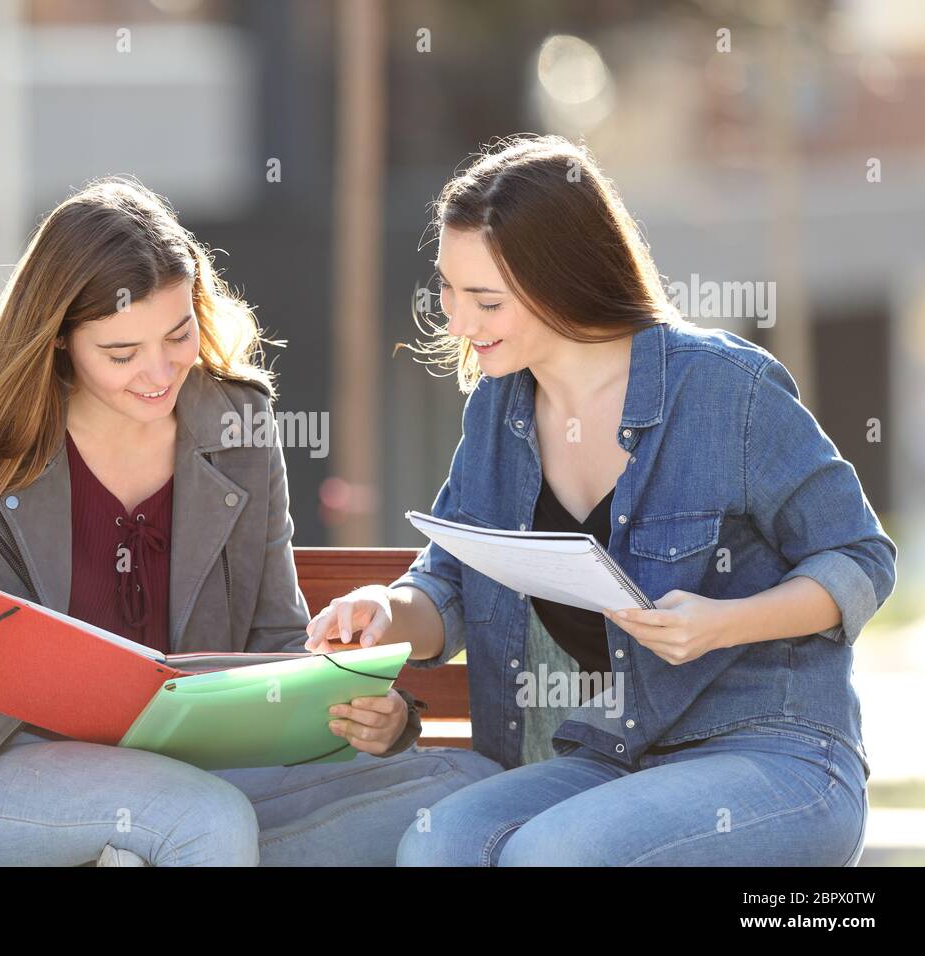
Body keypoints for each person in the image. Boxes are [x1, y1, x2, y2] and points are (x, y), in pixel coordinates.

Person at [0, 177, 498, 867]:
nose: (159, 372)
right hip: (1, 765)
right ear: (58, 343)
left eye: (178, 335)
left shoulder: (237, 424)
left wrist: (373, 714)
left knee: (465, 794)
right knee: (200, 820)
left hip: (198, 762)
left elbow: (274, 643)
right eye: (121, 353)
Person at [306, 136, 896, 866]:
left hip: (775, 751)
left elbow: (862, 559)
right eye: (448, 291)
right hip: (618, 748)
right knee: (441, 845)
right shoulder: (499, 409)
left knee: (556, 854)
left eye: (485, 300)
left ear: (565, 280)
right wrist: (385, 614)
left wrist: (726, 623)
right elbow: (451, 582)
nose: (456, 323)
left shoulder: (723, 388)